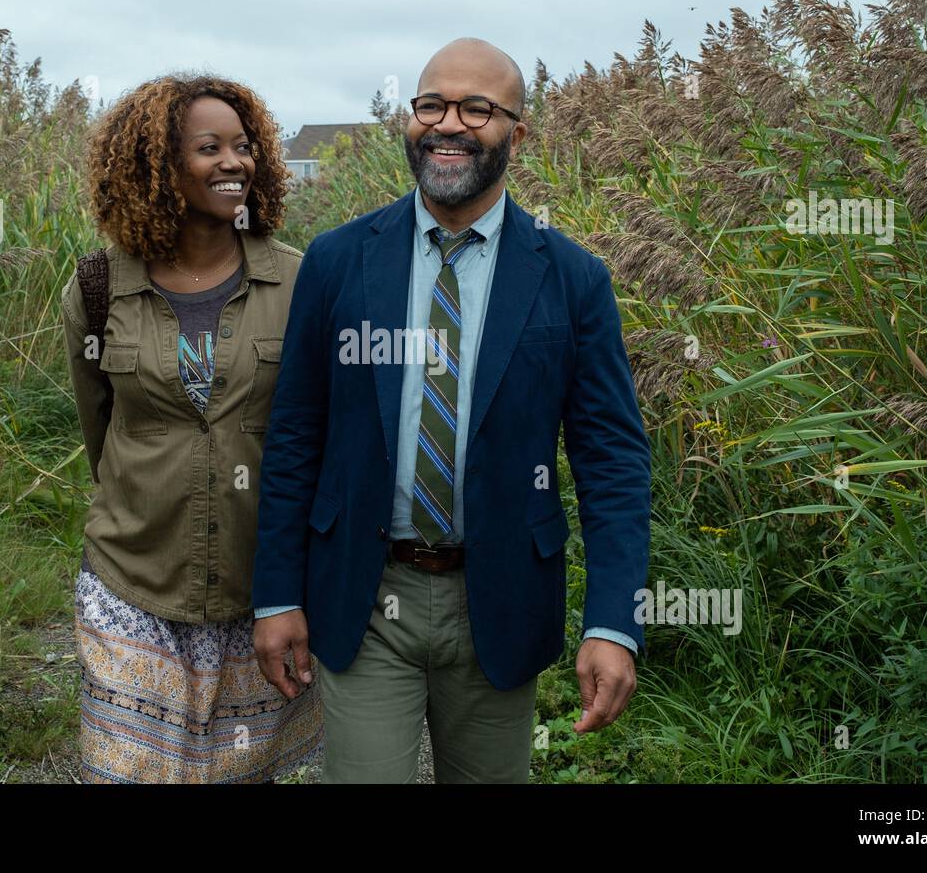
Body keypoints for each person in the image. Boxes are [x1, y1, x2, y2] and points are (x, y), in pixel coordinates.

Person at [251, 38, 651, 783]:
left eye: (478, 108)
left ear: (517, 134)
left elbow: (612, 461)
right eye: (431, 104)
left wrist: (612, 622)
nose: (449, 124)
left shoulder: (570, 278)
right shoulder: (338, 261)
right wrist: (275, 594)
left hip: (498, 596)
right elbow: (296, 435)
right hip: (365, 594)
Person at [62, 73, 323, 783]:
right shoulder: (97, 288)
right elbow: (101, 429)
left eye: (244, 147)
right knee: (128, 773)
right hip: (131, 578)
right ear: (156, 165)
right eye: (209, 147)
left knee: (239, 774)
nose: (233, 162)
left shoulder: (303, 284)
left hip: (257, 588)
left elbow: (317, 437)